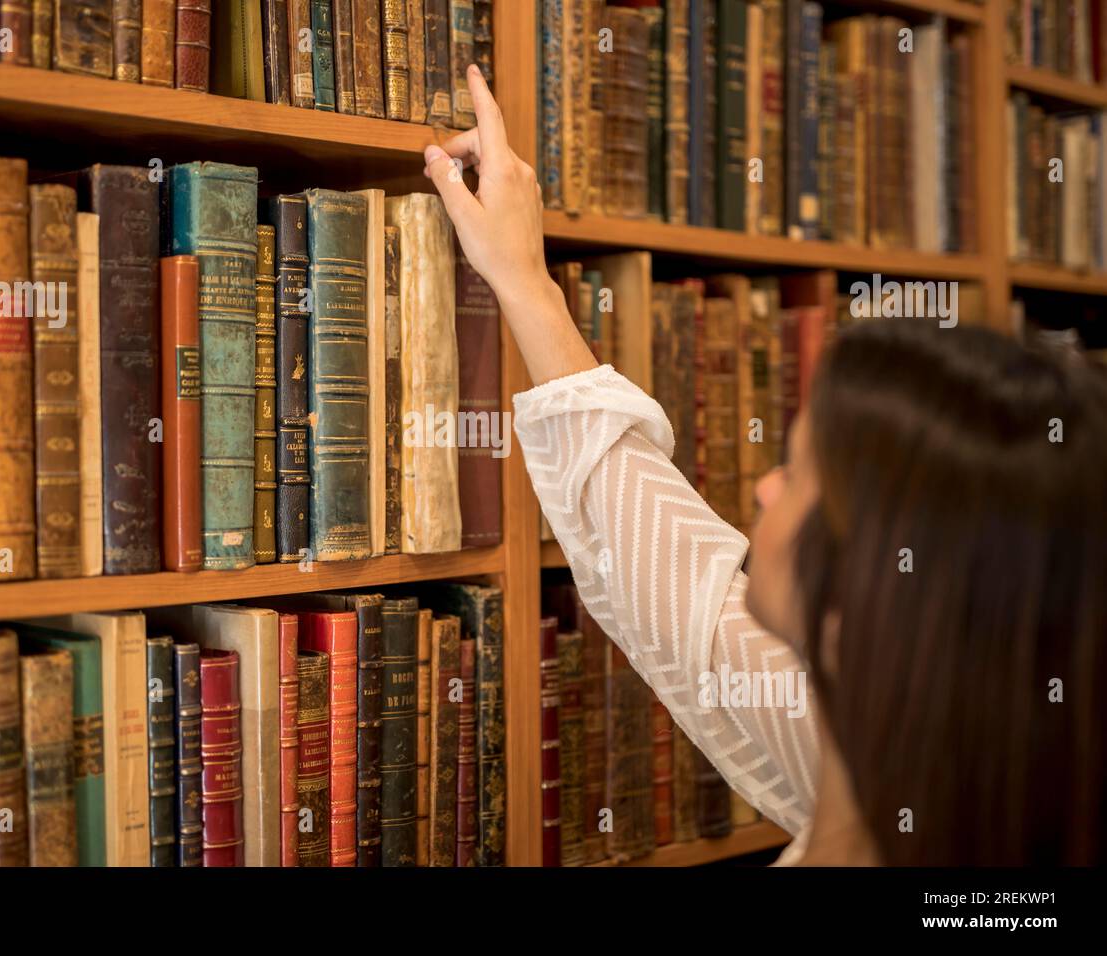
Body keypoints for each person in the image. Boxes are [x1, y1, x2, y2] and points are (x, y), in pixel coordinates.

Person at [423, 65, 1107, 865]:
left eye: (805, 476)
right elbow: (679, 593)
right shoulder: (876, 735)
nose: (767, 486)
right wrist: (524, 280)